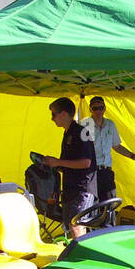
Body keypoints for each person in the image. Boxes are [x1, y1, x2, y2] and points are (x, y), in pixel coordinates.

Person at [41, 97, 97, 236]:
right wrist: (51, 163)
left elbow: (86, 163)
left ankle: (82, 256)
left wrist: (58, 162)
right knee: (71, 226)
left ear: (64, 114)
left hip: (82, 189)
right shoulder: (67, 133)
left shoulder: (82, 132)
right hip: (71, 189)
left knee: (76, 226)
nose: (52, 118)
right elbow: (68, 162)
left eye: (54, 114)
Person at [87, 96, 135, 204]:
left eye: (100, 108)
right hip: (91, 171)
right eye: (95, 108)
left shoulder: (110, 124)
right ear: (90, 109)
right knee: (92, 205)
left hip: (106, 171)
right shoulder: (84, 125)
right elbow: (79, 148)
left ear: (104, 108)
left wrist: (133, 156)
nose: (98, 111)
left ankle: (108, 221)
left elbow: (117, 146)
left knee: (109, 204)